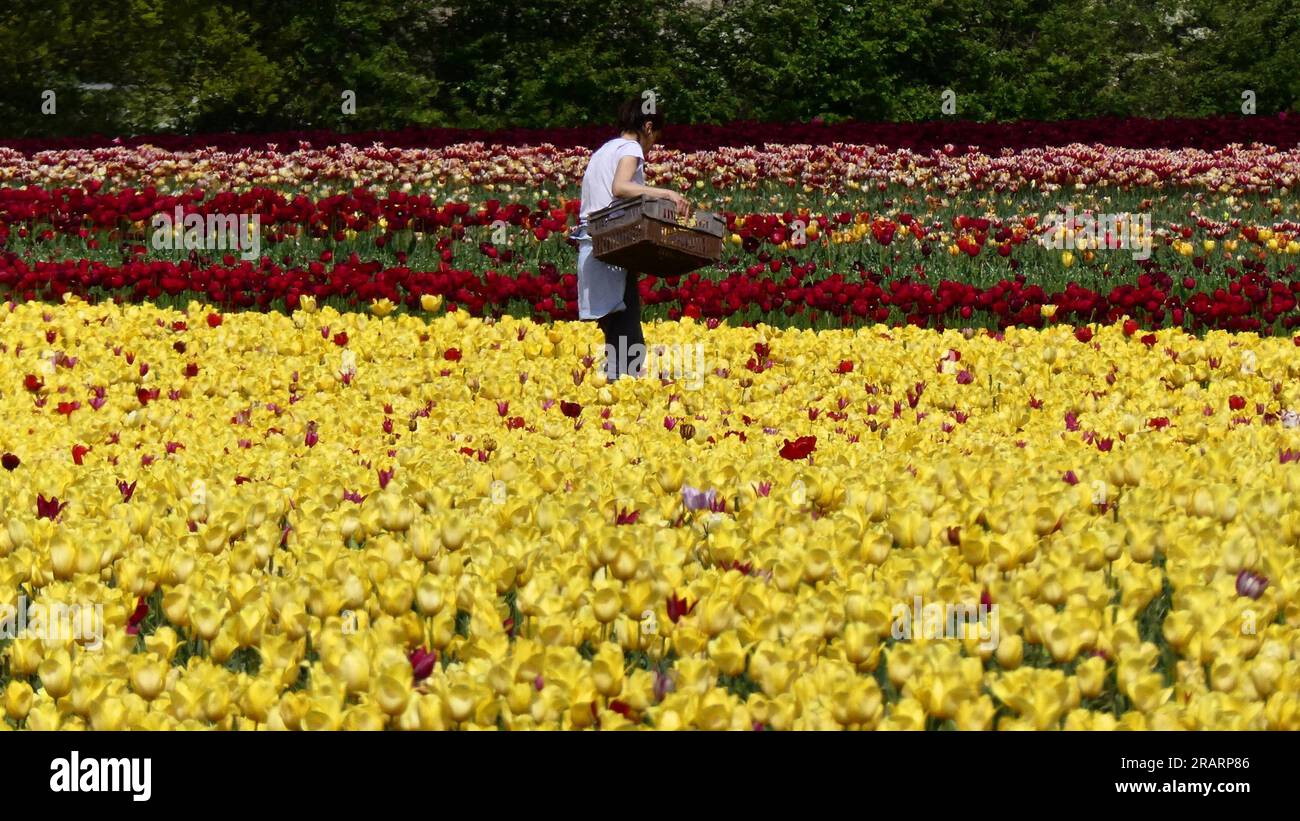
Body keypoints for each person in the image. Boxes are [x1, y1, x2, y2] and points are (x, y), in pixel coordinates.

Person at [571, 96, 689, 381]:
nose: (652, 145)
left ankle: (613, 393)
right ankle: (620, 401)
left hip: (594, 251)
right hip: (611, 253)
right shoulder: (630, 148)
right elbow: (621, 187)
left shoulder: (603, 151)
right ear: (648, 126)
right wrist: (667, 194)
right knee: (628, 344)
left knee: (620, 338)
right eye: (655, 138)